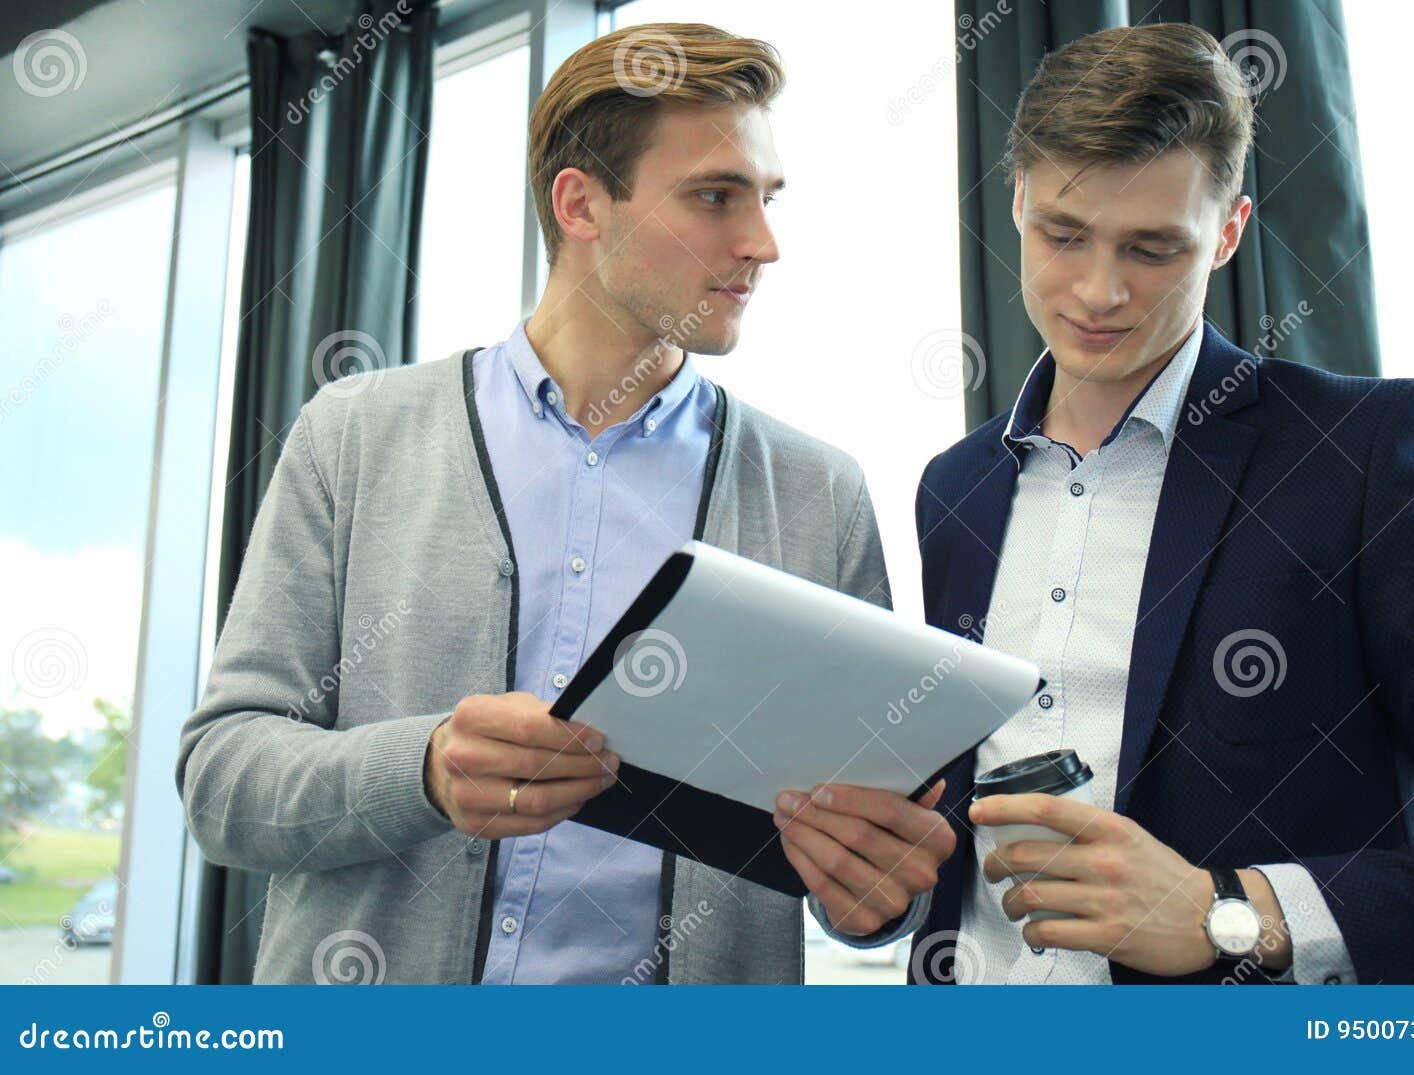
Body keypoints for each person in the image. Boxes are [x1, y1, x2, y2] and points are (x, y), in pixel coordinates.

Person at [176, 22, 952, 986]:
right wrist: (421, 768)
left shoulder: (817, 494)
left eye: (766, 197)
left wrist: (879, 893)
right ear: (581, 204)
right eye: (716, 196)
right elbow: (222, 784)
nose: (763, 242)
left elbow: (882, 865)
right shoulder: (354, 433)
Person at [907, 22, 1414, 985]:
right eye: (1063, 234)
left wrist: (1234, 911)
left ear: (1228, 232)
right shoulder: (956, 487)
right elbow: (957, 832)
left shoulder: (1368, 457)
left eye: (1153, 248)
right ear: (1016, 198)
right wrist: (881, 890)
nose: (1098, 290)